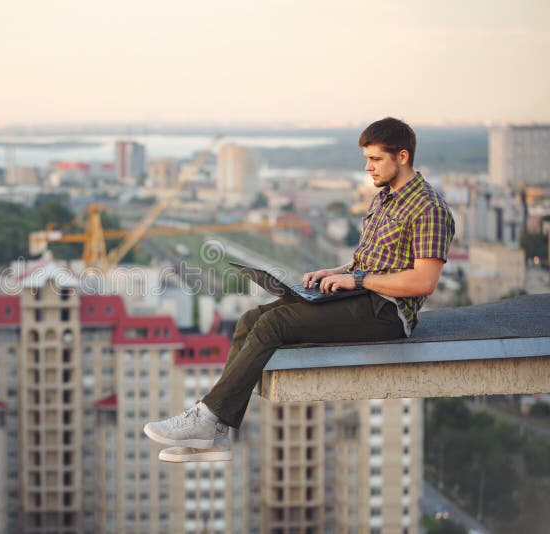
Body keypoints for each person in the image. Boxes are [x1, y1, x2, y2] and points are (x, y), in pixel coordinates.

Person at [144, 117, 456, 463]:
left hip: (387, 313)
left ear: (402, 156)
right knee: (250, 318)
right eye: (366, 159)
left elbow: (423, 281)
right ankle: (216, 433)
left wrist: (357, 281)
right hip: (361, 296)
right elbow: (369, 264)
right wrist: (336, 272)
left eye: (375, 159)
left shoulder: (428, 208)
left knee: (272, 325)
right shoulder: (385, 199)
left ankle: (206, 418)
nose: (367, 168)